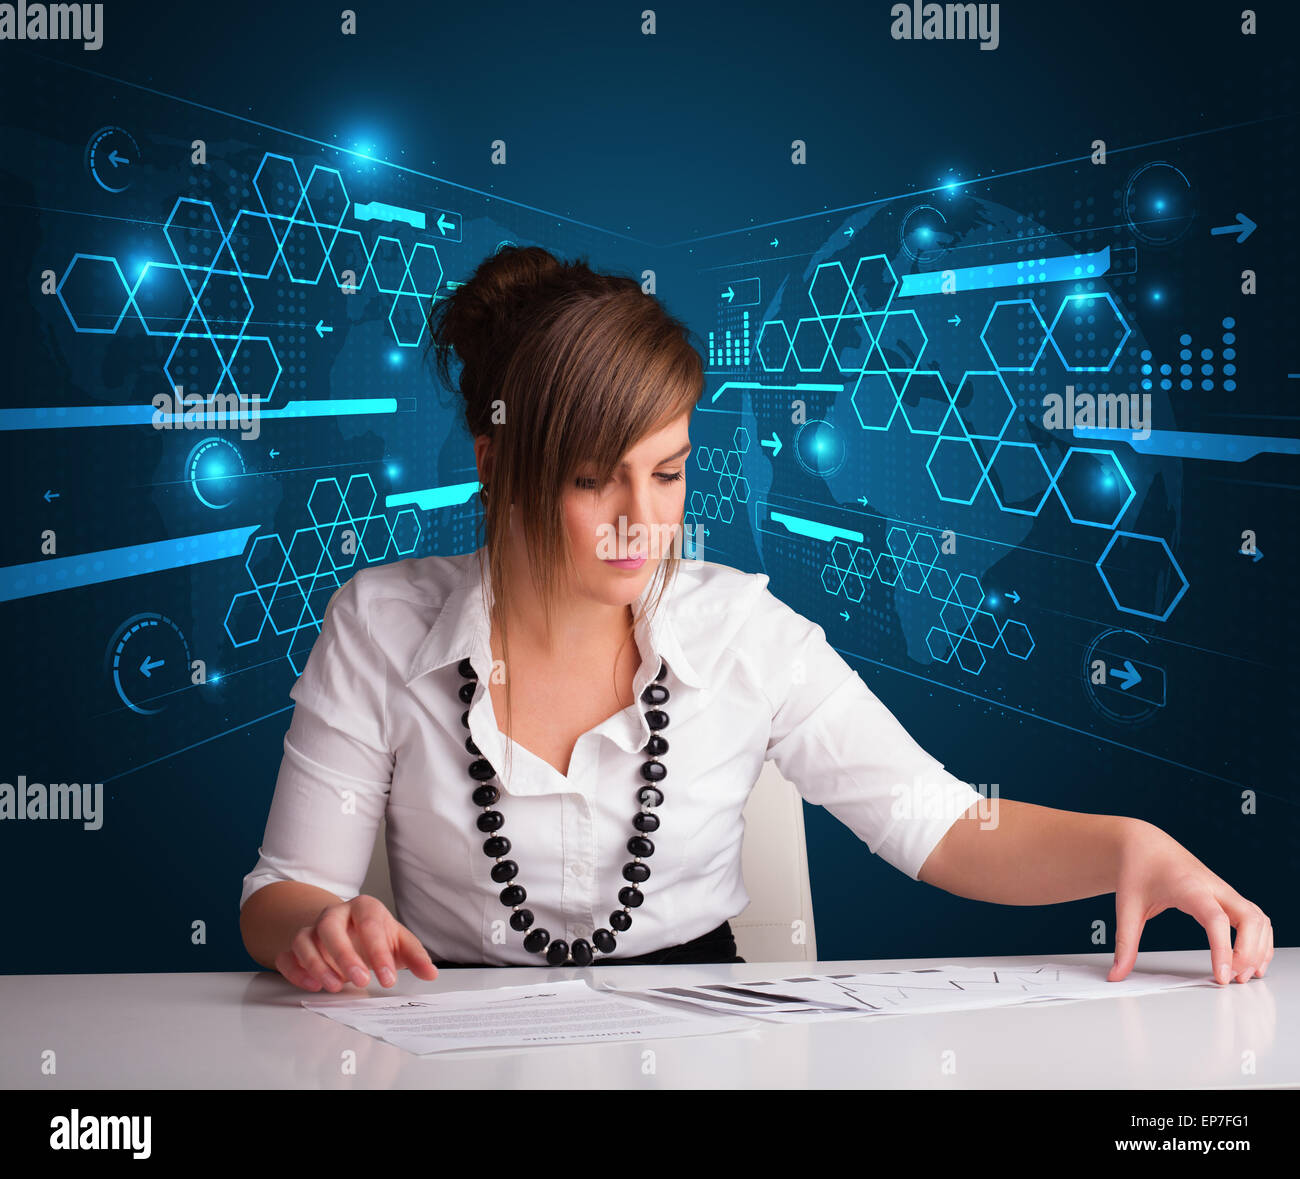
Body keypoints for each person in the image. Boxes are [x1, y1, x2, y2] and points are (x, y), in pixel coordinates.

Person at [238, 245, 1273, 992]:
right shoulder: (377, 624)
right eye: (595, 480)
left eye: (669, 473)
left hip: (700, 1046)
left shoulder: (743, 629)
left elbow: (942, 824)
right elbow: (280, 894)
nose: (641, 523)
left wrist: (1129, 845)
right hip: (437, 1048)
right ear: (497, 463)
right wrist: (319, 928)